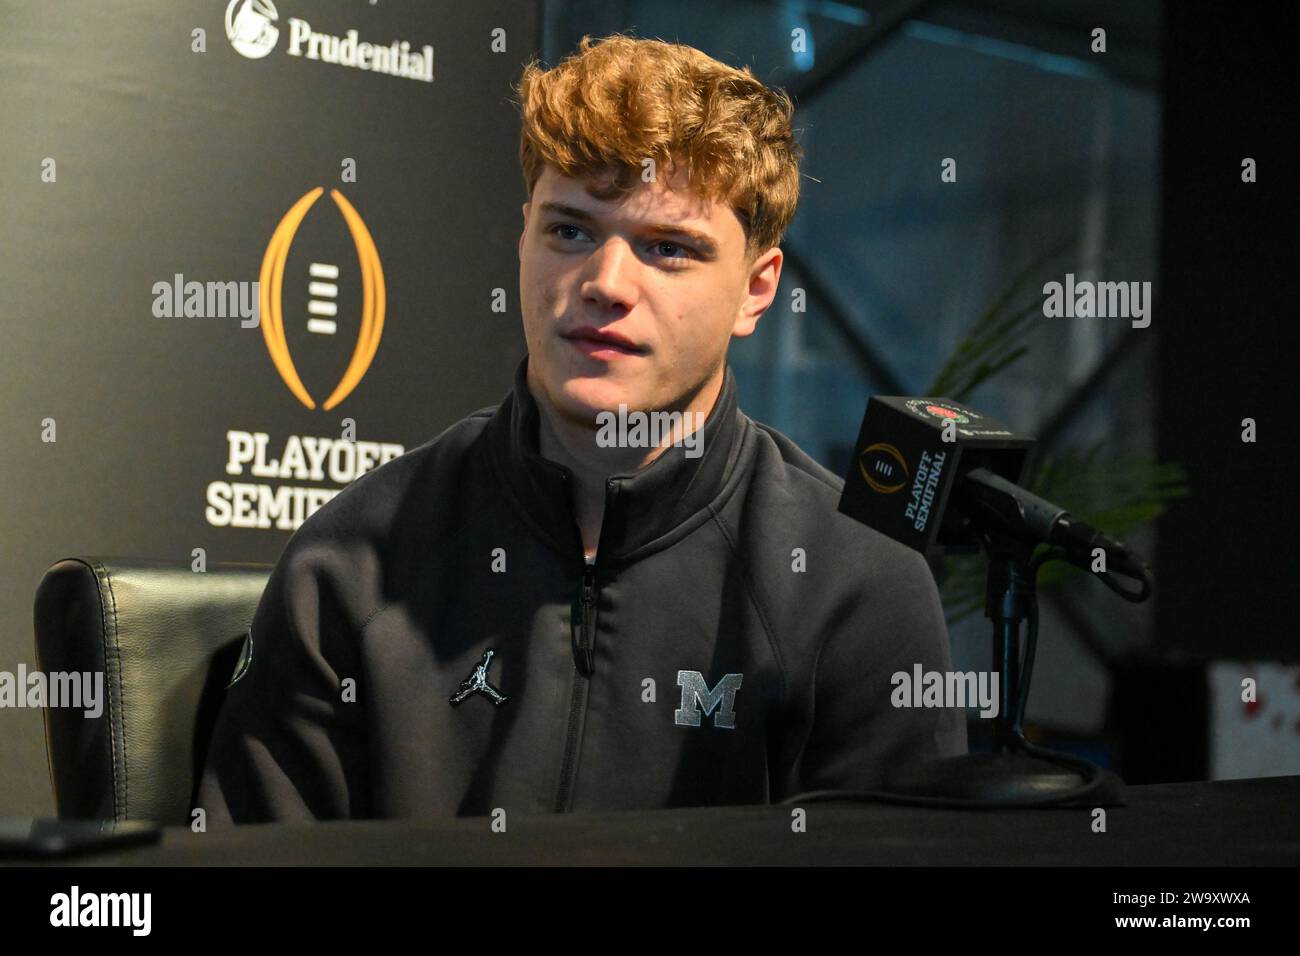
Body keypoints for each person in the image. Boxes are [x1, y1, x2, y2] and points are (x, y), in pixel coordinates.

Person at [194, 32, 966, 823]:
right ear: (524, 233)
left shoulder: (855, 581)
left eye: (668, 248)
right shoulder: (353, 557)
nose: (604, 283)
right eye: (571, 231)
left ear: (756, 289)